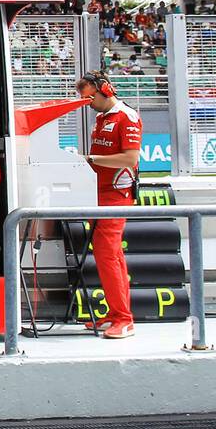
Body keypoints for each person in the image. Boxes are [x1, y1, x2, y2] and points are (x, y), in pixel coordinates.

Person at [77, 71, 141, 339]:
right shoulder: (101, 118)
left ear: (104, 89)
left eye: (89, 96)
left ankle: (124, 319)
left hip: (116, 194)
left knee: (107, 254)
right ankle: (117, 313)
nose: (86, 102)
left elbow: (129, 159)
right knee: (112, 256)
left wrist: (91, 159)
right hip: (98, 194)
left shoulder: (127, 117)